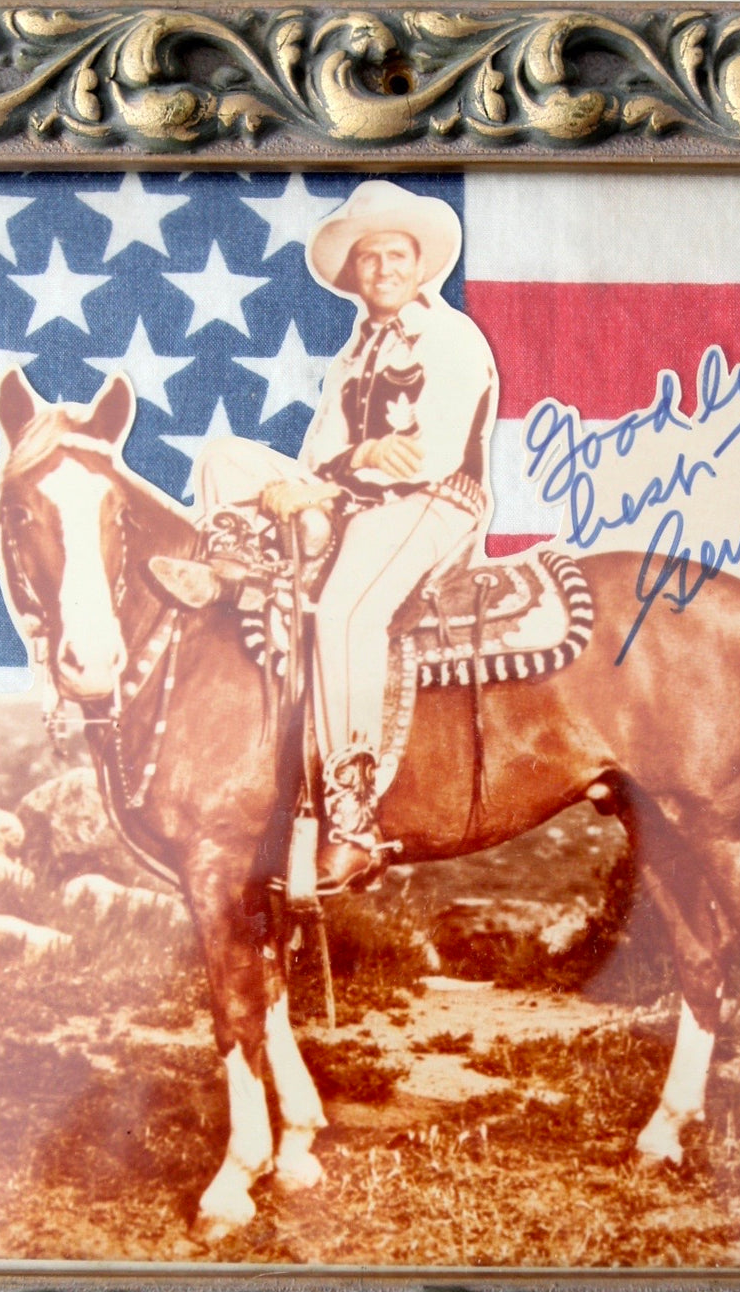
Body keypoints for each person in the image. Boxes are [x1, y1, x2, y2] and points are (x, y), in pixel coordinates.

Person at [154, 181, 499, 892]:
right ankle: (230, 573)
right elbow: (318, 455)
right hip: (357, 502)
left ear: (420, 264)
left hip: (434, 504)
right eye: (369, 259)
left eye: (396, 255)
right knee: (223, 457)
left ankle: (351, 816)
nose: (383, 270)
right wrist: (327, 477)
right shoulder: (354, 353)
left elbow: (424, 457)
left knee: (345, 611)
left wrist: (333, 480)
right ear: (355, 275)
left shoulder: (451, 338)